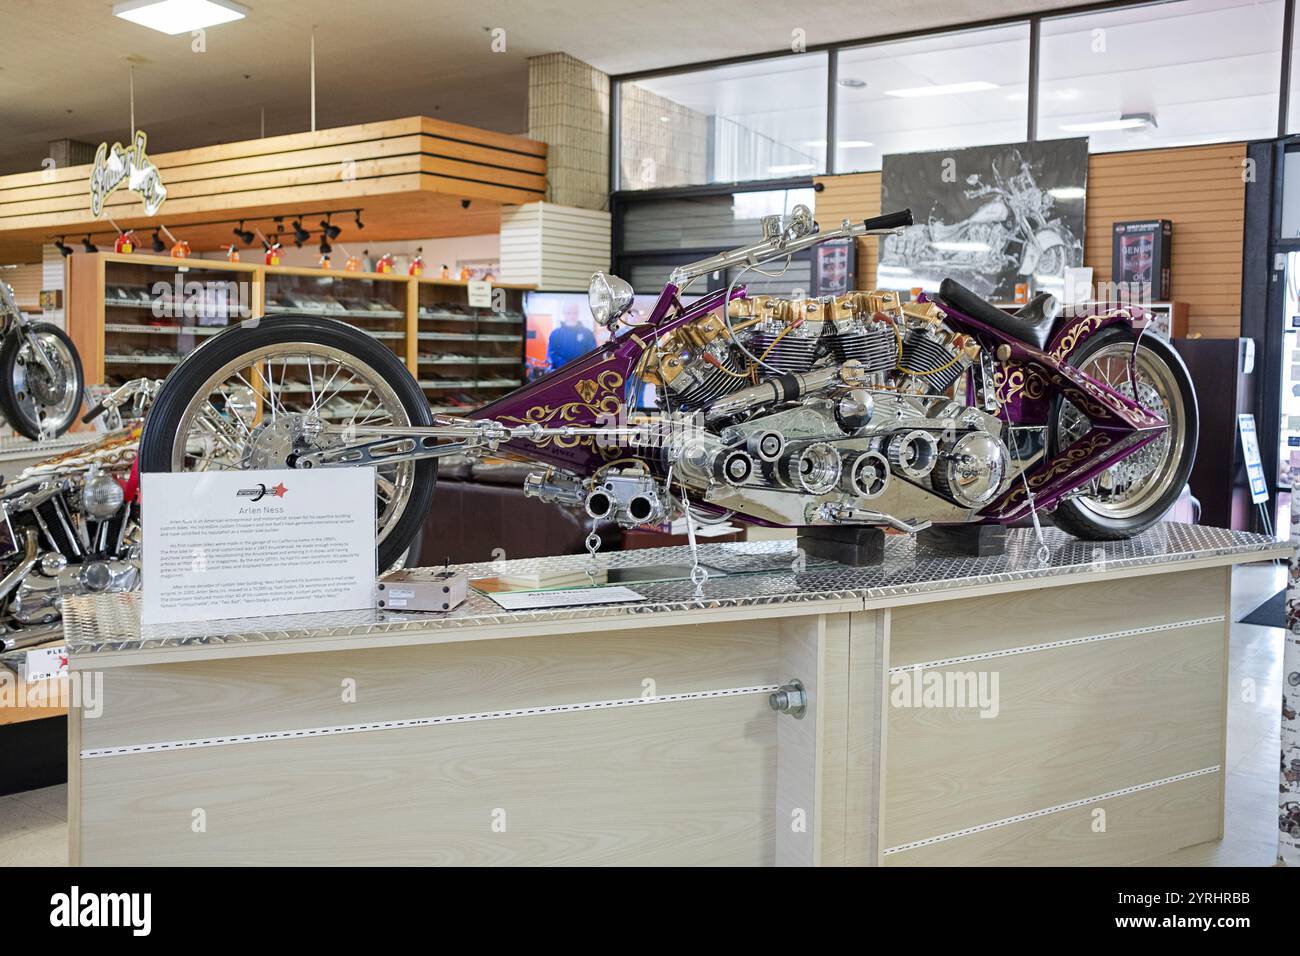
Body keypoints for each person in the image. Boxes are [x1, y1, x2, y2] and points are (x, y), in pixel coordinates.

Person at [546, 302, 597, 371]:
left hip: (582, 372)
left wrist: (579, 367)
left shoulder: (587, 333)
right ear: (564, 314)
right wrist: (566, 367)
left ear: (578, 314)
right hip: (561, 373)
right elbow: (552, 354)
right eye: (568, 313)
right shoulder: (555, 333)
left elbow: (592, 352)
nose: (571, 316)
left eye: (574, 313)